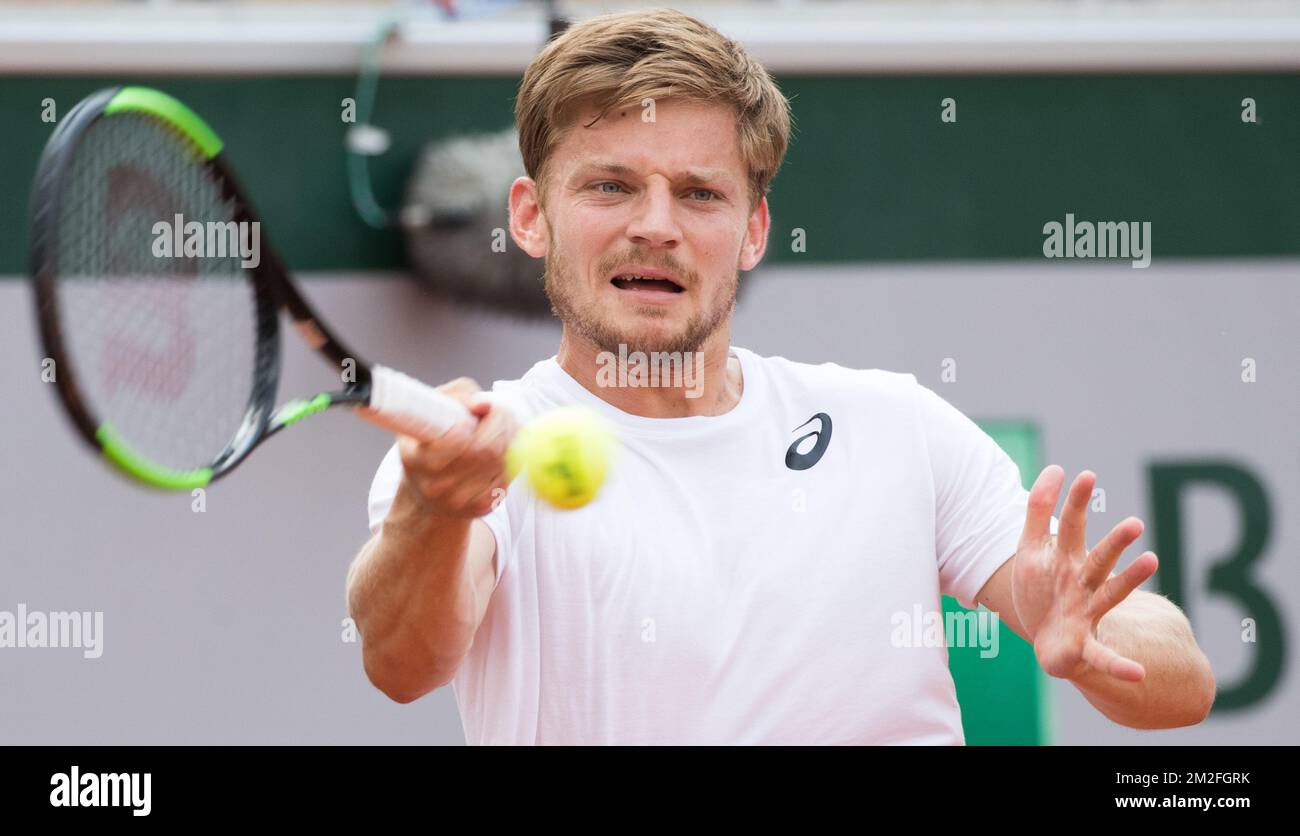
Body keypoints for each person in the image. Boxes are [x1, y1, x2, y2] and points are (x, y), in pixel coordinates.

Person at [347, 8, 1215, 744]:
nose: (656, 226)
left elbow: (1185, 685)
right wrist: (438, 507)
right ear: (531, 217)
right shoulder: (466, 460)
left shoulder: (895, 425)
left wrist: (1092, 637)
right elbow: (400, 664)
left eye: (700, 194)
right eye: (610, 187)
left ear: (754, 232)